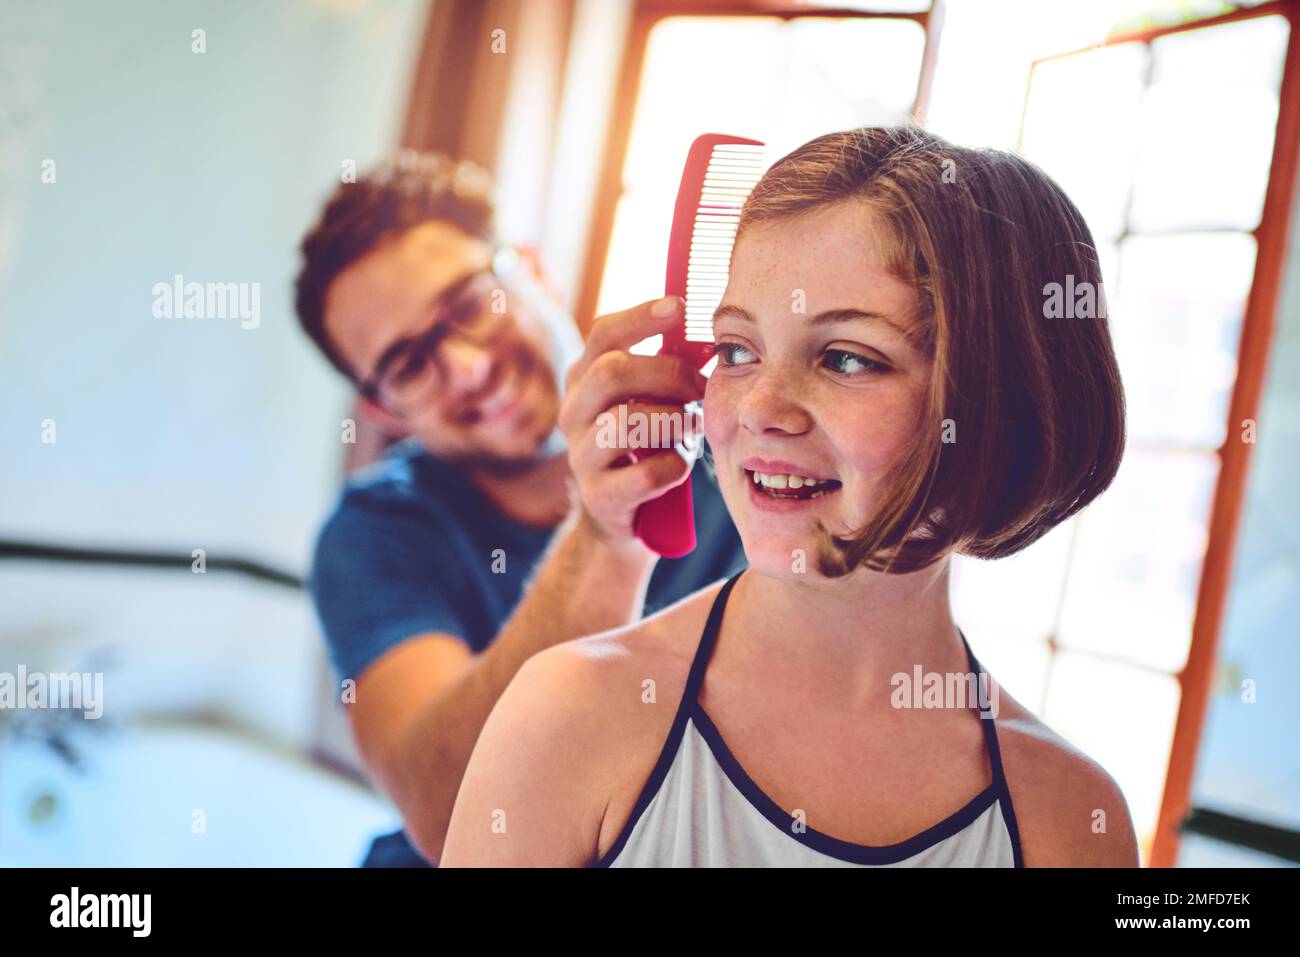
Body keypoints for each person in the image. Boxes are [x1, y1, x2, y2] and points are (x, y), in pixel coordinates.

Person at [440, 126, 1141, 867]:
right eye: (737, 350)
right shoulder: (572, 712)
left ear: (1004, 406)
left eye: (846, 358)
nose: (759, 407)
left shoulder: (1069, 817)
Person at [294, 151, 747, 867]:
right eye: (410, 363)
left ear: (534, 271)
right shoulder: (373, 536)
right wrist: (606, 534)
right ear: (384, 407)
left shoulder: (740, 460)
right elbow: (452, 816)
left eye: (472, 303)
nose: (468, 367)